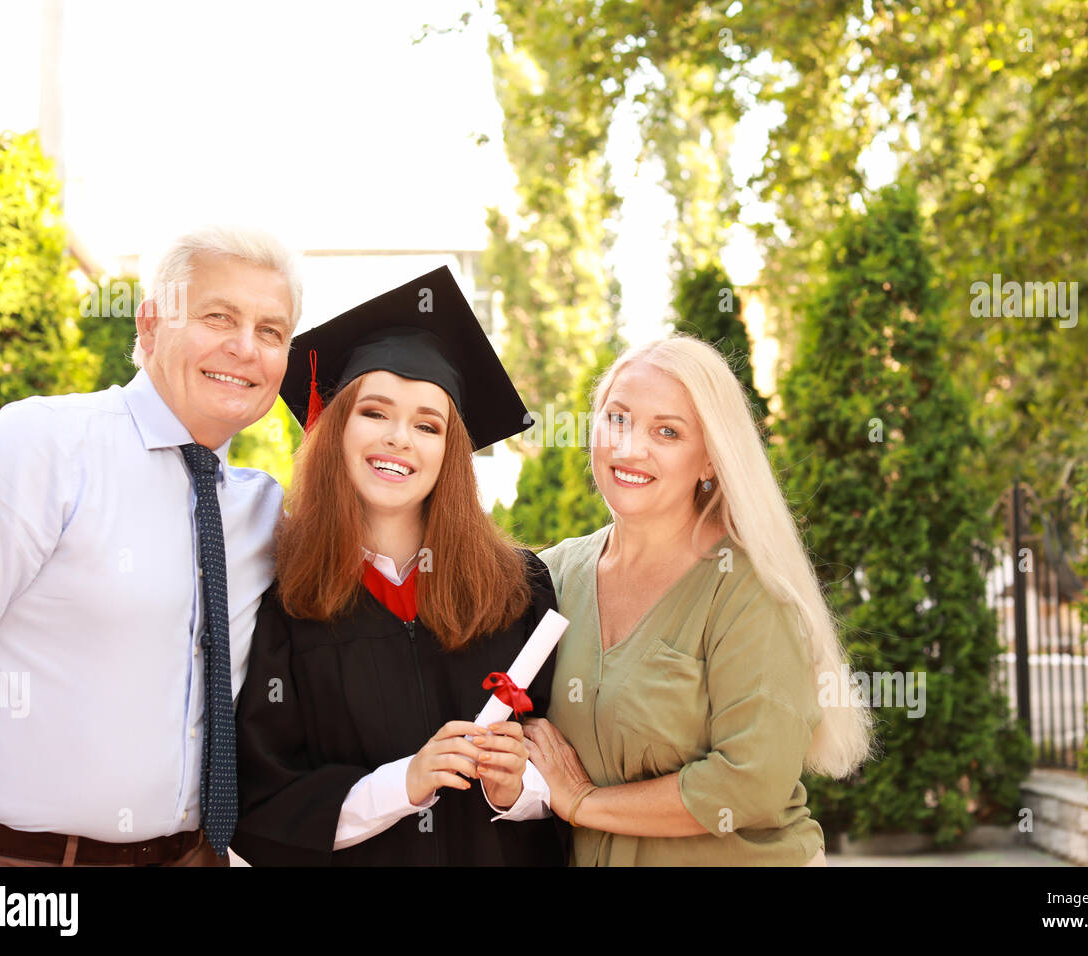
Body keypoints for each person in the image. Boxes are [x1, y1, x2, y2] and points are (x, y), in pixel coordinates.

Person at [0, 224, 302, 867]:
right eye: (220, 317)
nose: (246, 347)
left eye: (271, 331)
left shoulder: (265, 513)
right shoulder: (45, 449)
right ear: (152, 324)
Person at [229, 266, 565, 866]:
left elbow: (563, 779)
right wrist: (402, 784)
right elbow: (263, 805)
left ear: (450, 450)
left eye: (428, 424)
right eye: (374, 413)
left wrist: (518, 790)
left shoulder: (519, 590)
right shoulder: (286, 600)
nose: (399, 439)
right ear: (334, 428)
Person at [523, 334, 877, 866]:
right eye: (617, 418)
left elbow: (749, 781)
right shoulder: (552, 576)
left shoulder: (747, 590)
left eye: (667, 431)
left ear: (710, 460)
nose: (629, 447)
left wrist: (584, 802)